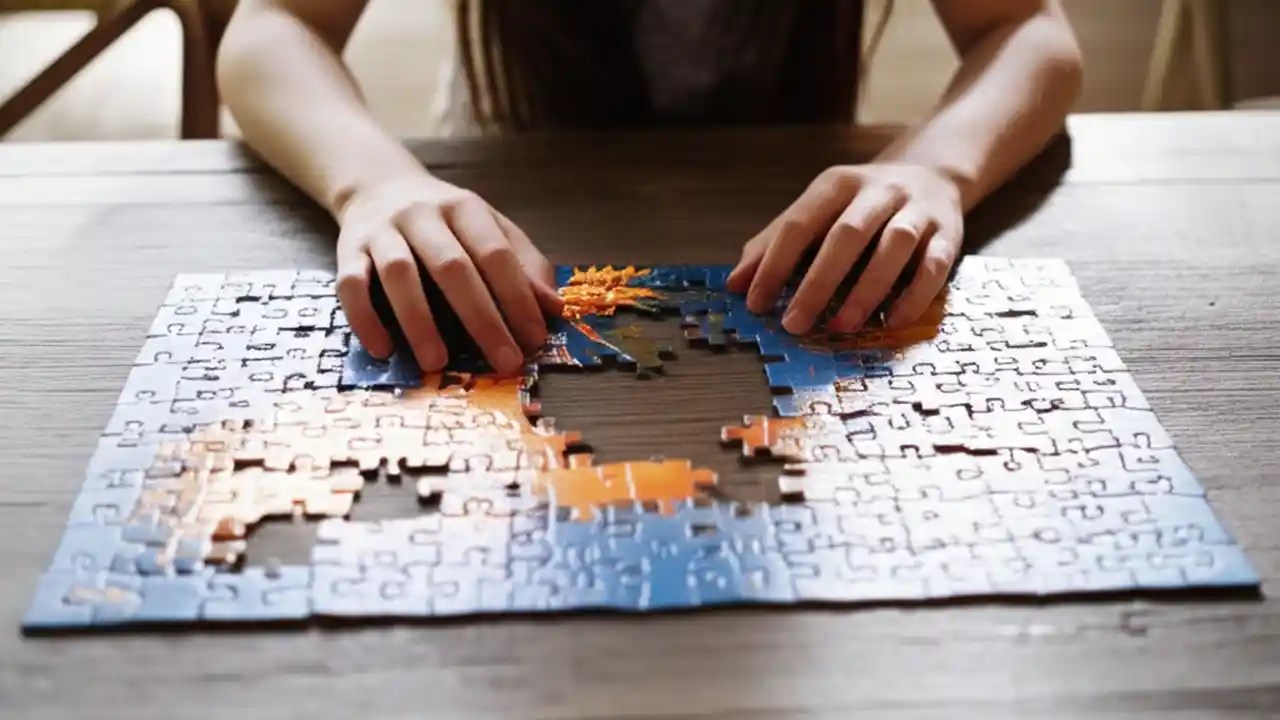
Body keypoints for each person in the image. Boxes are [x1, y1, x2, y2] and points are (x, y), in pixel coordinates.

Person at [217, 0, 1083, 375]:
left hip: (790, 242)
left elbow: (1026, 28)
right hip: (496, 227)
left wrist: (935, 165)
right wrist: (373, 183)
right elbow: (272, 26)